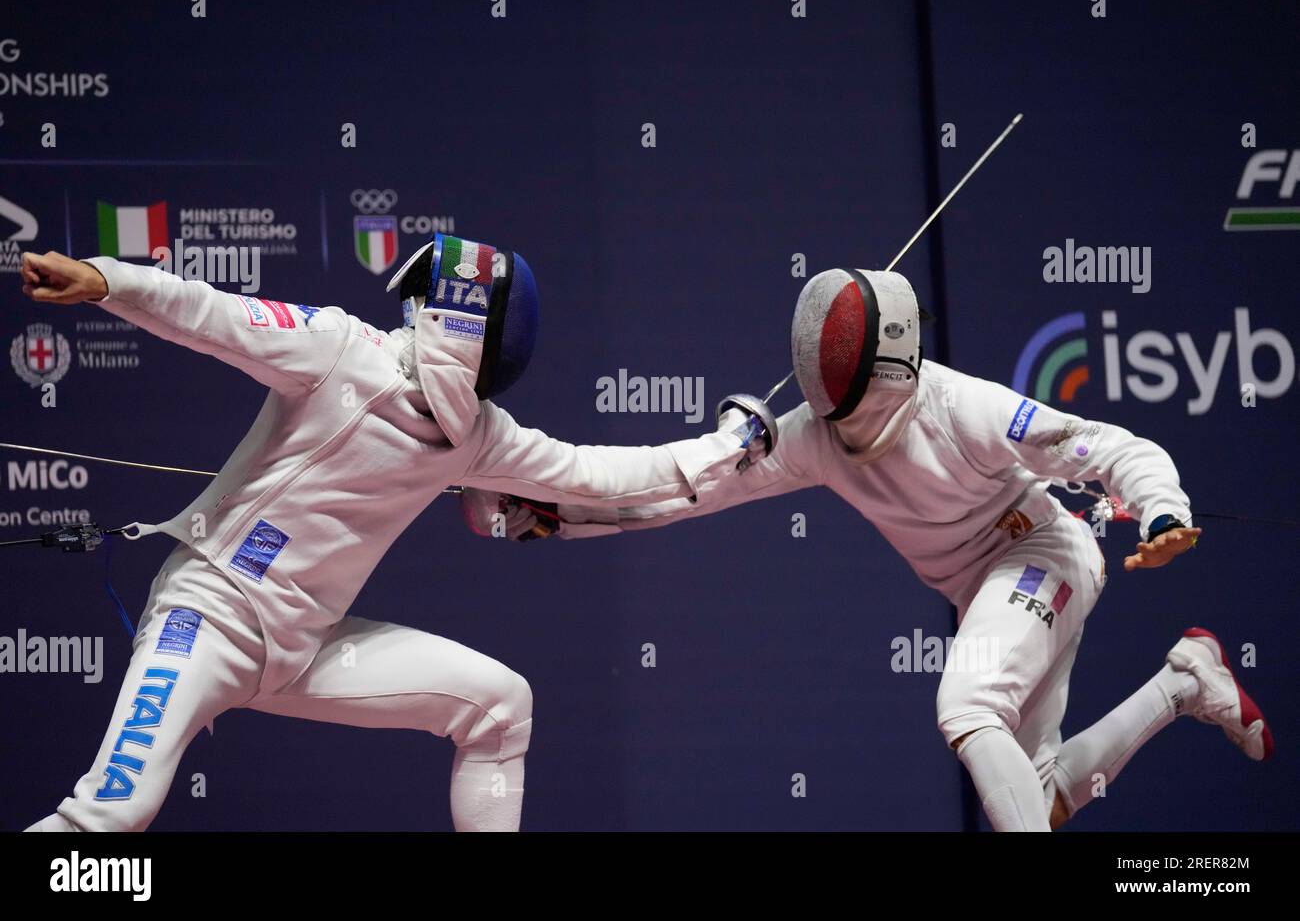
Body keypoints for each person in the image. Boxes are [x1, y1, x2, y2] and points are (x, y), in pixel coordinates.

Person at [473, 267, 1274, 831]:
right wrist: (560, 512)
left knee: (965, 707)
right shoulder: (816, 437)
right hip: (984, 594)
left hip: (1041, 556)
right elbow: (687, 490)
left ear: (892, 368)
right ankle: (1183, 683)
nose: (836, 419)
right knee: (1040, 798)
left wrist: (1164, 509)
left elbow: (1103, 447)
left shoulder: (970, 409)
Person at [17, 235, 771, 832]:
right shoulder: (338, 350)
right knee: (113, 816)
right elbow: (209, 312)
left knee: (500, 704)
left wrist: (729, 445)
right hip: (206, 617)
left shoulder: (479, 437)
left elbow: (605, 476)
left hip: (301, 647)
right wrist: (107, 279)